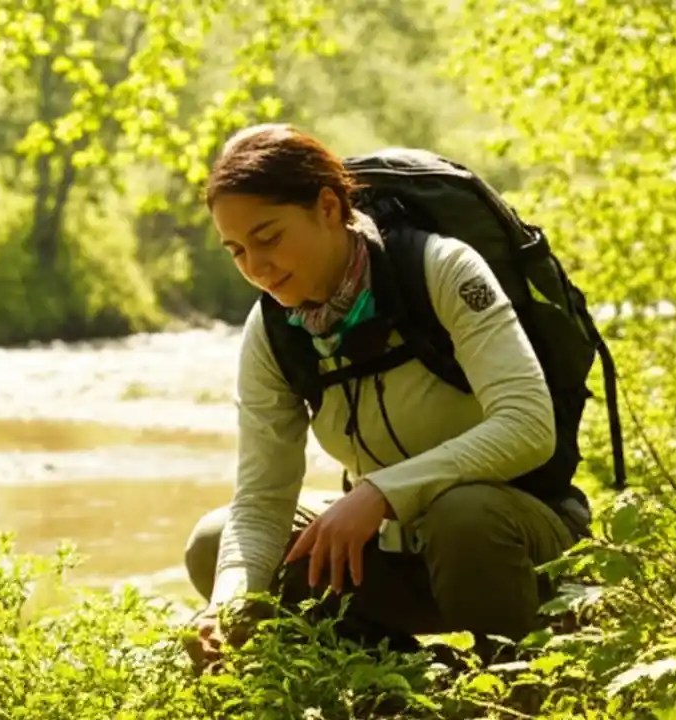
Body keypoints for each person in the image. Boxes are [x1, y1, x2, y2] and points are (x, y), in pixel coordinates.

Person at [182, 123, 584, 670]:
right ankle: (398, 684)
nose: (256, 268)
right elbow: (262, 498)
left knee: (460, 514)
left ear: (327, 207)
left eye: (269, 238)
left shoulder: (440, 268)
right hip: (398, 552)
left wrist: (381, 493)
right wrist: (227, 606)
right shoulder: (273, 330)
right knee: (215, 542)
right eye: (236, 251)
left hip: (513, 539)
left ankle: (518, 679)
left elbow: (529, 426)